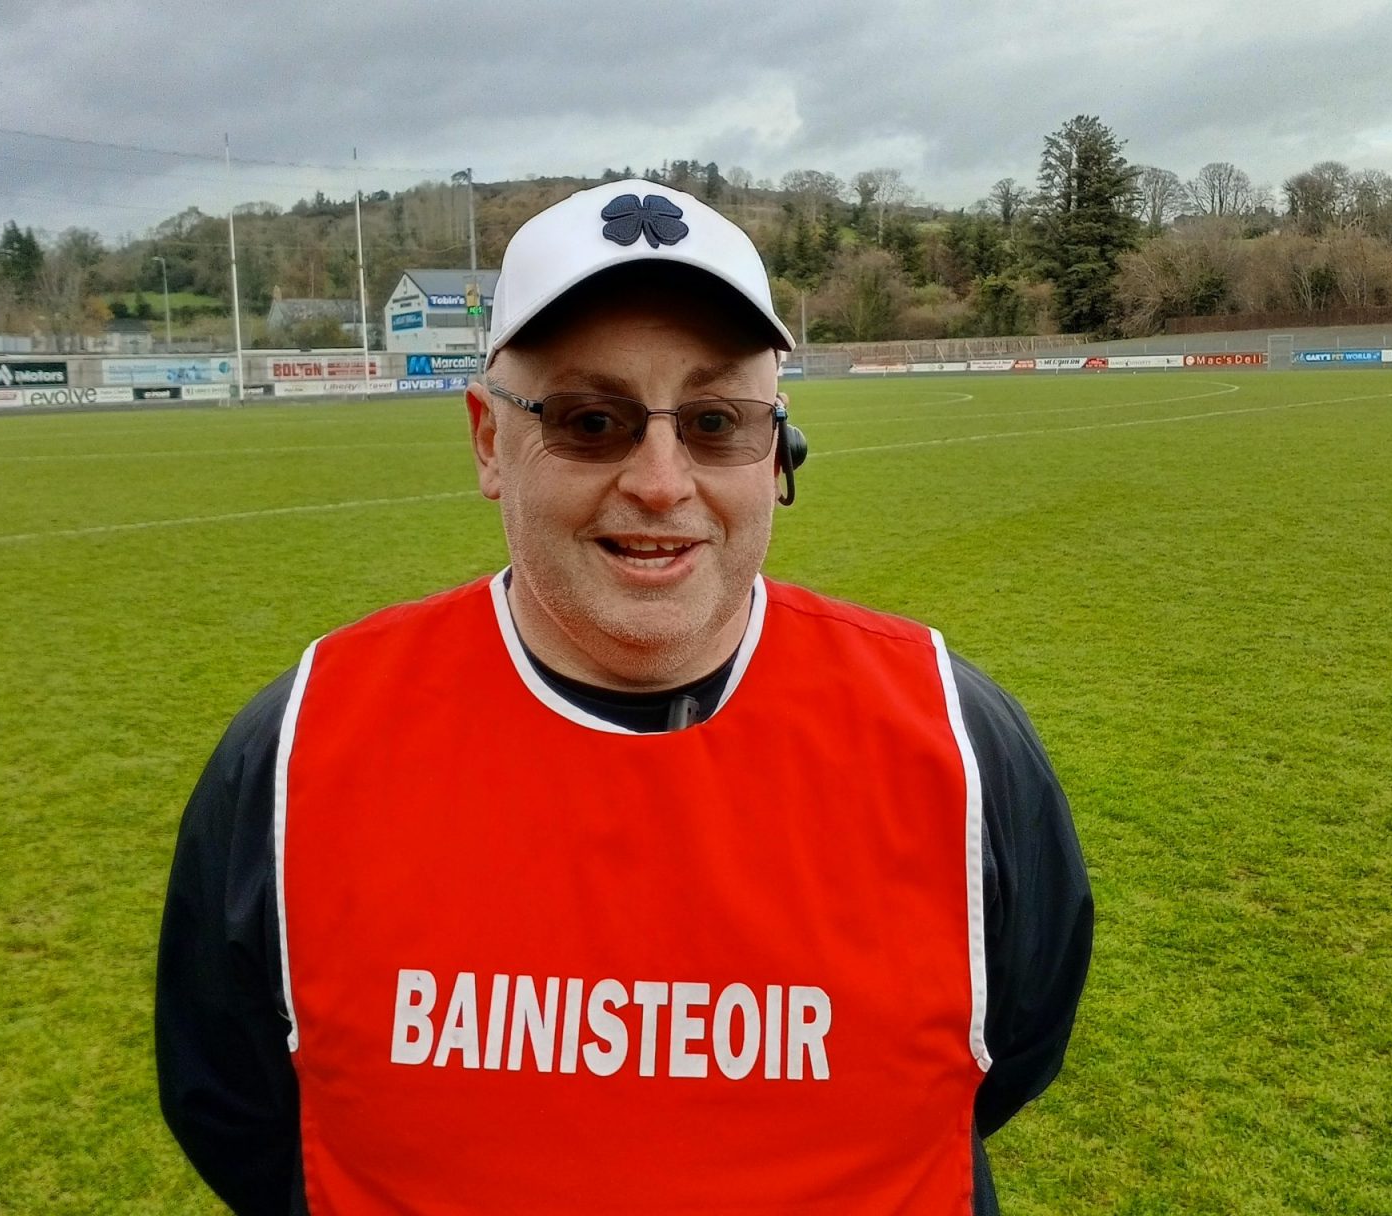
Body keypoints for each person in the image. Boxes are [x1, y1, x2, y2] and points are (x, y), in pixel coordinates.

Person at [156, 179, 1092, 1216]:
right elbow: (238, 1112)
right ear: (486, 442)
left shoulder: (959, 746)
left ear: (774, 448)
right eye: (590, 418)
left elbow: (1002, 1058)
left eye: (715, 420)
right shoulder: (297, 751)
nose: (660, 479)